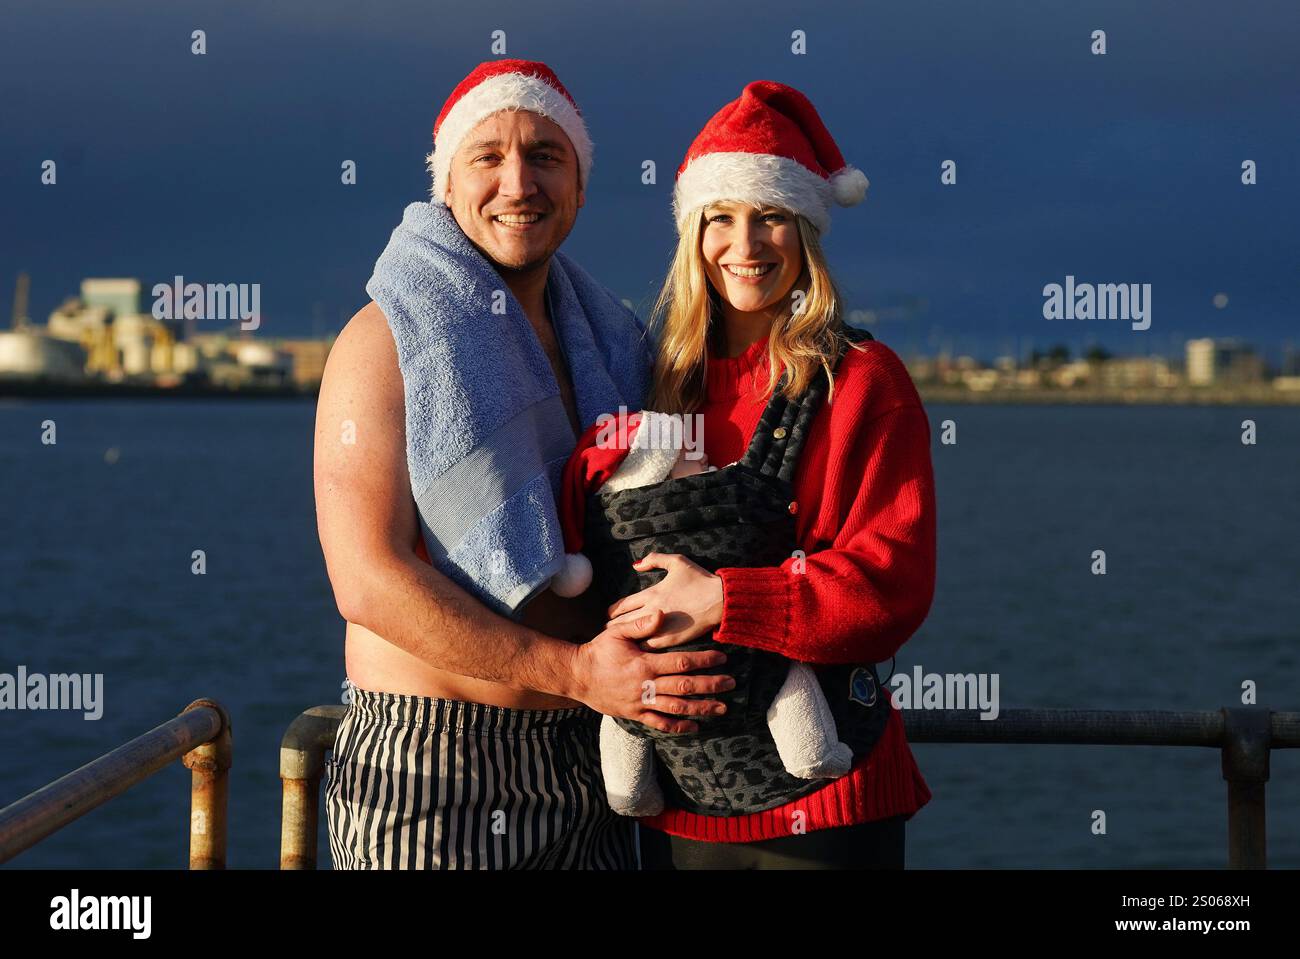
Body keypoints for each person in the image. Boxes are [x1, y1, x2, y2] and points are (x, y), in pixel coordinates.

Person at [314, 59, 733, 870]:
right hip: (432, 773)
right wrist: (575, 670)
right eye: (488, 156)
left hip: (592, 758)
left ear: (579, 185)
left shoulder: (614, 346)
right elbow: (365, 578)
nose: (519, 181)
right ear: (446, 182)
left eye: (546, 155)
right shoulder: (384, 340)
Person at [605, 80, 937, 869]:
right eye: (720, 218)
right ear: (692, 234)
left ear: (807, 231)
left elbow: (892, 584)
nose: (744, 244)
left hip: (828, 799)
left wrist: (726, 598)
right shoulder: (653, 384)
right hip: (683, 797)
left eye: (771, 216)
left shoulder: (862, 380)